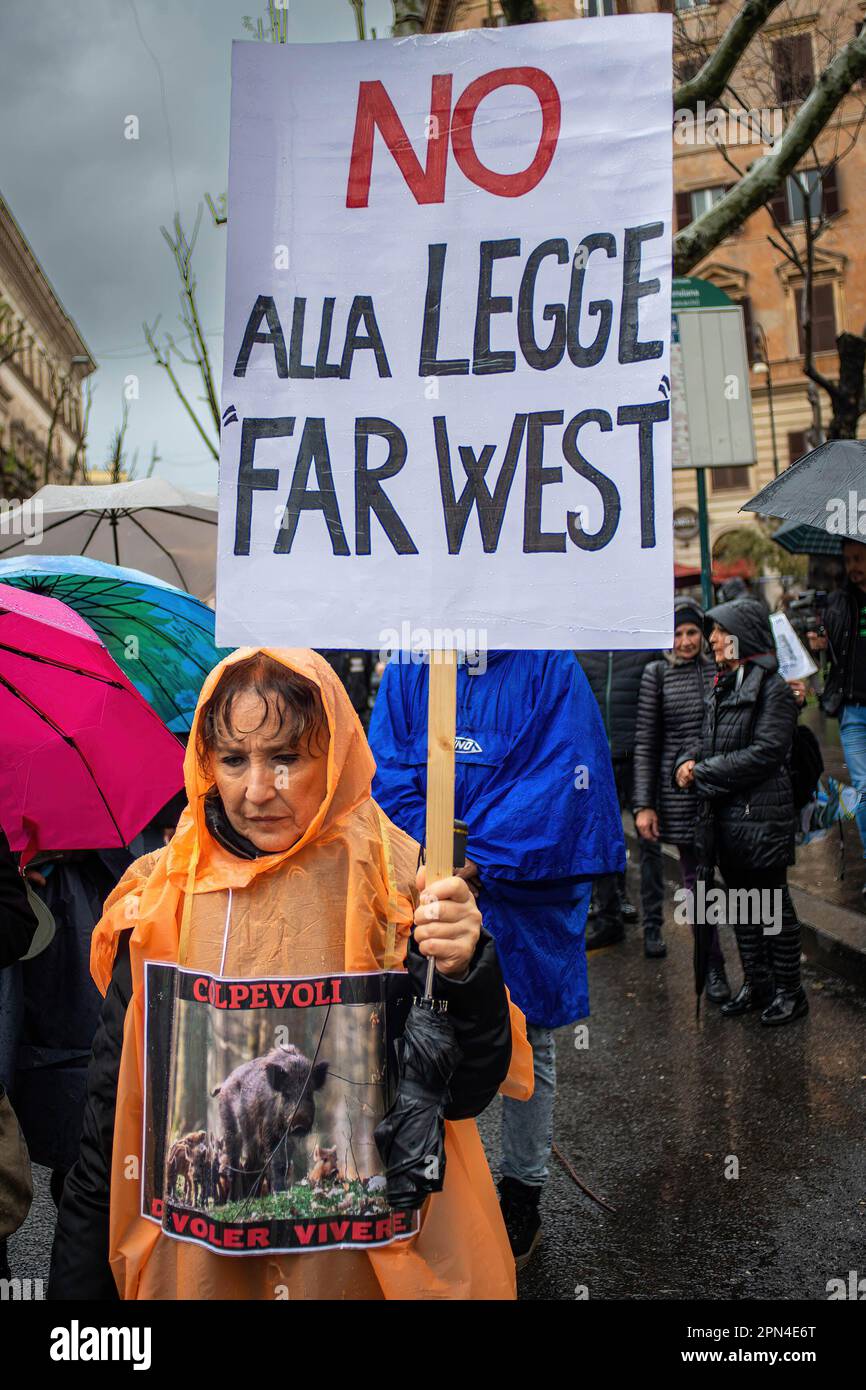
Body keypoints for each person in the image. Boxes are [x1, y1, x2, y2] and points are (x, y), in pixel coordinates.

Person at [48, 649, 531, 1301]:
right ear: (204, 762)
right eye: (234, 759)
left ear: (331, 756)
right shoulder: (164, 898)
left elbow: (464, 1091)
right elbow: (112, 1126)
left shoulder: (399, 888)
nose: (256, 790)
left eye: (286, 758)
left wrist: (464, 970)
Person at [368, 650, 624, 1268]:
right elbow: (384, 765)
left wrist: (475, 858)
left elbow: (562, 773)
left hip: (523, 891)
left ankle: (521, 1191)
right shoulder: (413, 663)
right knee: (422, 1027)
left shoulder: (549, 665)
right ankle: (430, 1185)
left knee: (527, 1035)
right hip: (427, 881)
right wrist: (429, 853)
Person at [674, 599, 807, 1026]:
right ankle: (758, 983)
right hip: (726, 822)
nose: (712, 639)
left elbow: (766, 753)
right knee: (741, 907)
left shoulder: (773, 688)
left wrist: (704, 772)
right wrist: (685, 762)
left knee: (772, 906)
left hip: (761, 819)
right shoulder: (723, 684)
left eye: (719, 631)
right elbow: (706, 740)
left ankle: (791, 991)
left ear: (742, 635)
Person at [632, 600, 730, 996]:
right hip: (681, 799)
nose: (686, 641)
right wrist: (644, 804)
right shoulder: (656, 673)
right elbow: (646, 744)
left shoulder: (719, 670)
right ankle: (713, 968)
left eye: (692, 632)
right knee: (697, 885)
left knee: (739, 884)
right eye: (677, 634)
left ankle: (759, 973)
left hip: (724, 792)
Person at [575, 647, 664, 950]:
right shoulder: (583, 654)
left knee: (649, 841)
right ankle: (608, 918)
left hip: (639, 759)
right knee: (599, 840)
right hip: (597, 760)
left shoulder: (646, 652)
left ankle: (654, 927)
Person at [808, 538, 866, 900]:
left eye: (859, 558)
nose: (853, 566)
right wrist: (819, 643)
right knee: (863, 789)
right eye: (849, 560)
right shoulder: (839, 601)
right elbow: (831, 653)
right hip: (853, 709)